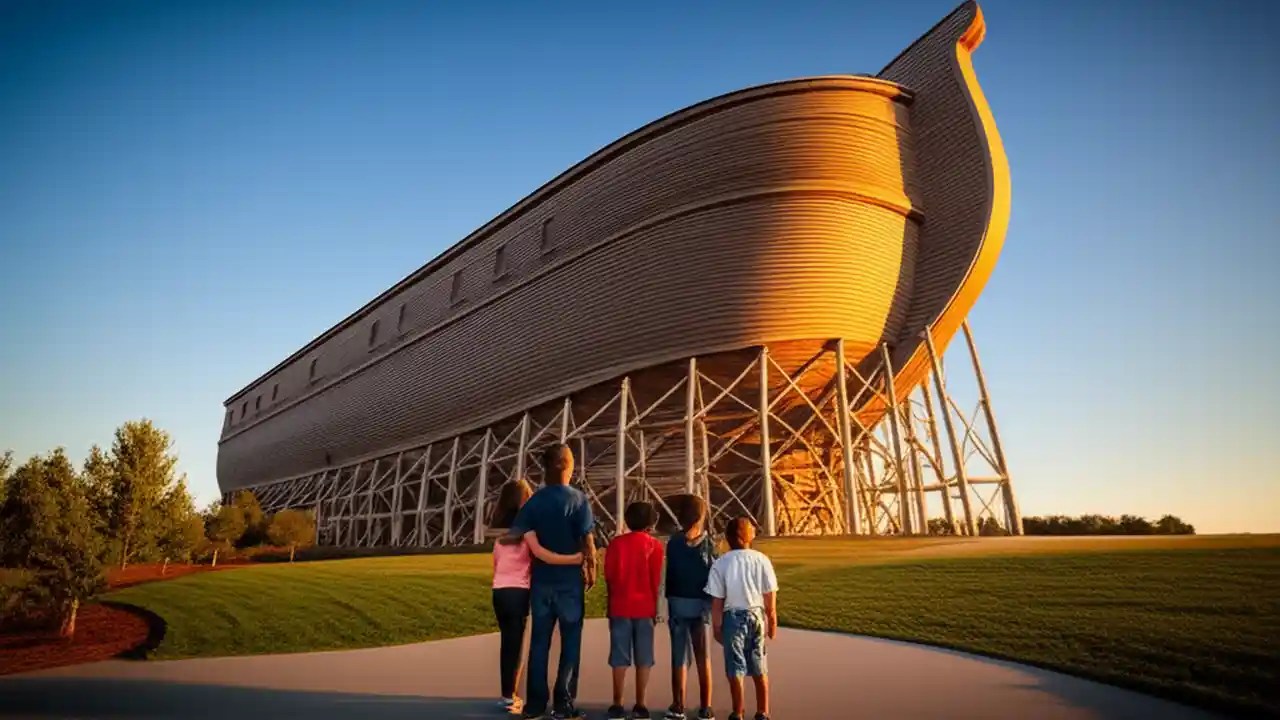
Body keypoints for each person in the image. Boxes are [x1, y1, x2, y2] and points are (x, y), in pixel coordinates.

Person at [507, 443, 598, 720]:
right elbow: (589, 543)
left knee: (539, 643)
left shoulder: (534, 502)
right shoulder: (579, 500)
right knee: (571, 643)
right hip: (569, 584)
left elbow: (520, 536)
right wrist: (591, 568)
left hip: (542, 583)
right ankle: (563, 704)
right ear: (567, 466)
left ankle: (535, 706)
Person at [490, 479, 585, 715]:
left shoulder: (500, 536)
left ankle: (507, 695)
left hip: (499, 592)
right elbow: (542, 554)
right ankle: (513, 698)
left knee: (508, 644)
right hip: (519, 591)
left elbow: (496, 564)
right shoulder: (527, 531)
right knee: (520, 645)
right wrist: (576, 559)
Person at [705, 517, 778, 720]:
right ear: (747, 536)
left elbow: (717, 600)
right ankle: (763, 711)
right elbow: (770, 595)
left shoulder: (721, 563)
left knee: (735, 666)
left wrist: (717, 627)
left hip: (733, 616)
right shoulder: (762, 560)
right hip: (756, 615)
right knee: (759, 664)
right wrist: (772, 620)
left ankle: (738, 711)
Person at [603, 501, 664, 720]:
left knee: (619, 657)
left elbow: (609, 576)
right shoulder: (655, 546)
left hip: (620, 605)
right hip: (644, 607)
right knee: (644, 657)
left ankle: (617, 703)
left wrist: (609, 607)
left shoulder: (616, 545)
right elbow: (656, 580)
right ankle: (641, 704)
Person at [664, 496, 718, 720]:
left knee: (679, 657)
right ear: (701, 517)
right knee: (702, 657)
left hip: (677, 603)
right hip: (700, 606)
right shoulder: (708, 544)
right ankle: (706, 707)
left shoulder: (673, 542)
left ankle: (678, 705)